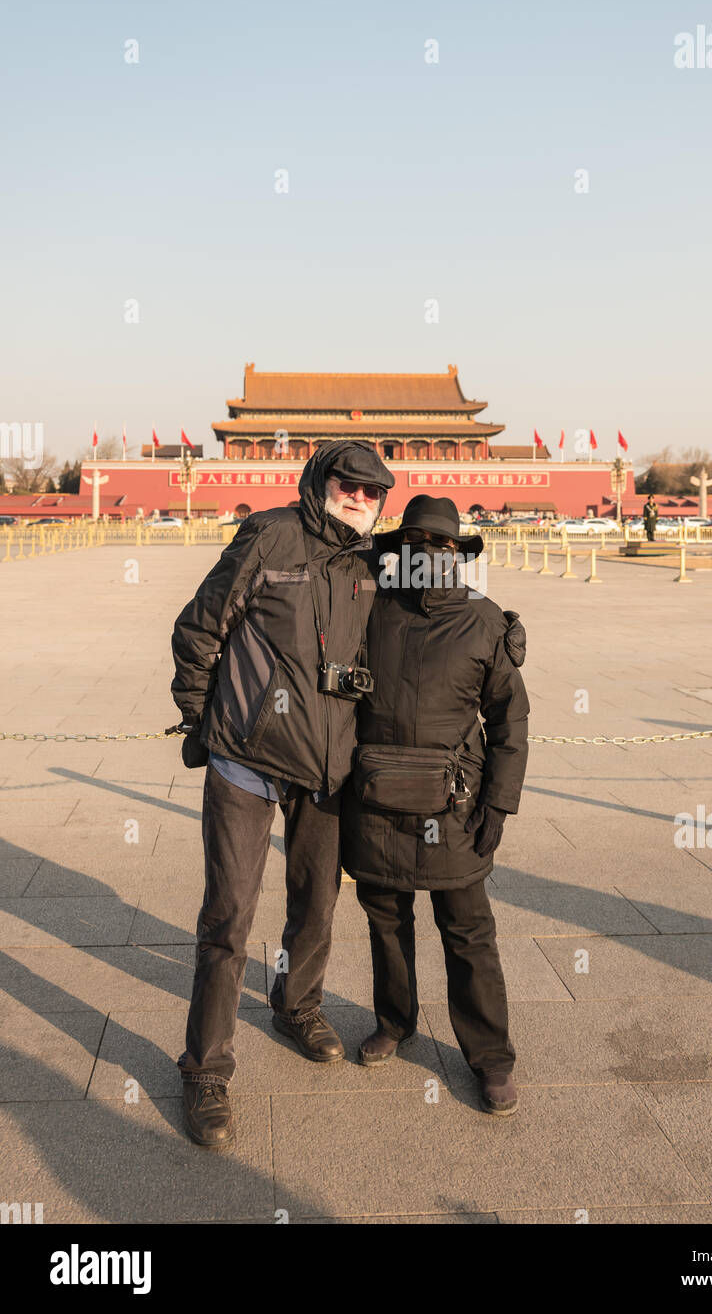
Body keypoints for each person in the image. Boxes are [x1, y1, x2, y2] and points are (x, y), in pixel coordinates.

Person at [170, 441, 395, 1147]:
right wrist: (202, 717)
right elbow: (200, 626)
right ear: (319, 481)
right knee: (229, 916)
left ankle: (296, 1006)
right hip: (246, 756)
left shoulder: (371, 563)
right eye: (347, 483)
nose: (358, 497)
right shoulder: (271, 534)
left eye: (372, 491)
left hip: (326, 768)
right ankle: (206, 1068)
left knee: (317, 905)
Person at [341, 495, 530, 1116]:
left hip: (455, 808)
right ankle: (395, 1022)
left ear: (459, 554)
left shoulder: (484, 622)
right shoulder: (372, 611)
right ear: (400, 549)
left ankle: (491, 1057)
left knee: (469, 932)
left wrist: (498, 805)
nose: (429, 553)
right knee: (386, 922)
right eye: (416, 541)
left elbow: (510, 721)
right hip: (376, 801)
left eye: (442, 545)